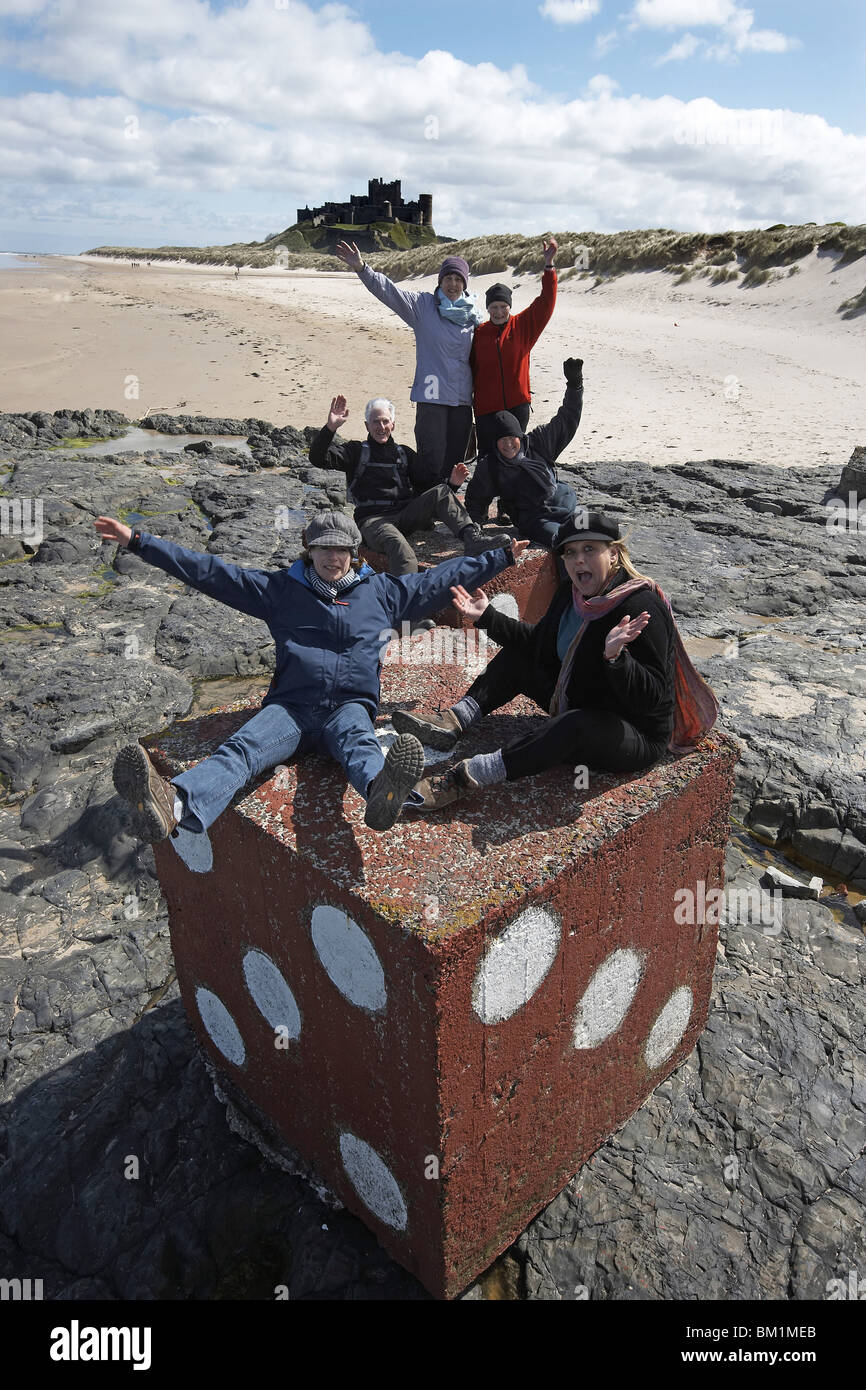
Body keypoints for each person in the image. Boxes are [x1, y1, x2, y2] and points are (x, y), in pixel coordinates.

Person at [95, 510, 529, 861]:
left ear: (354, 552)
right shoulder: (280, 590)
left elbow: (437, 579)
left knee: (359, 746)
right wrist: (138, 541)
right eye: (323, 548)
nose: (332, 557)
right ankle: (173, 805)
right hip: (292, 708)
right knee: (243, 749)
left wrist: (500, 557)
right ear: (310, 549)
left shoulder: (382, 592)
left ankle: (384, 792)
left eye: (340, 549)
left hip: (350, 708)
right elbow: (210, 572)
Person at [392, 511, 718, 809]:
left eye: (590, 549)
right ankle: (455, 721)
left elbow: (653, 700)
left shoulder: (639, 605)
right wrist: (487, 617)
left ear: (614, 555)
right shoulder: (571, 594)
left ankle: (464, 778)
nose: (578, 561)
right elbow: (539, 646)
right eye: (570, 553)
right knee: (519, 657)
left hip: (634, 732)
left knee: (574, 726)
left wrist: (616, 658)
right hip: (578, 694)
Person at [309, 393, 510, 575]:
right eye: (375, 422)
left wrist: (452, 484)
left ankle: (472, 539)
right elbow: (318, 458)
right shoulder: (355, 451)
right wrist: (331, 428)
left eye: (385, 421)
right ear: (367, 426)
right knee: (403, 553)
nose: (381, 427)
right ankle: (407, 610)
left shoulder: (403, 454)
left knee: (440, 491)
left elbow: (429, 488)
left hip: (405, 515)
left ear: (393, 424)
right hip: (373, 521)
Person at [334, 241, 479, 483]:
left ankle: (448, 502)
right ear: (440, 281)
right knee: (431, 458)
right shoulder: (423, 306)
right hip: (431, 396)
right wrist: (362, 268)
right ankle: (428, 501)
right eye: (448, 278)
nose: (453, 284)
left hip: (462, 399)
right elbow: (389, 292)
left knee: (456, 460)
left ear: (464, 283)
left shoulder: (474, 315)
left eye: (458, 279)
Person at [464, 357, 584, 549]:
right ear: (495, 444)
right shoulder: (490, 466)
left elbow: (567, 419)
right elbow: (475, 502)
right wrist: (474, 531)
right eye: (502, 440)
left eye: (512, 438)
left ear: (520, 436)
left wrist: (575, 385)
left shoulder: (539, 442)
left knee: (596, 531)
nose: (508, 445)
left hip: (567, 506)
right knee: (563, 541)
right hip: (536, 520)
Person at [472, 237, 558, 456]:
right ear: (487, 308)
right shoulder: (478, 333)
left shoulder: (522, 326)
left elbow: (546, 302)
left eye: (503, 307)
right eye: (493, 307)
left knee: (515, 458)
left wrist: (549, 267)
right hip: (486, 410)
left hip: (517, 406)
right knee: (488, 458)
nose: (499, 312)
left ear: (509, 306)